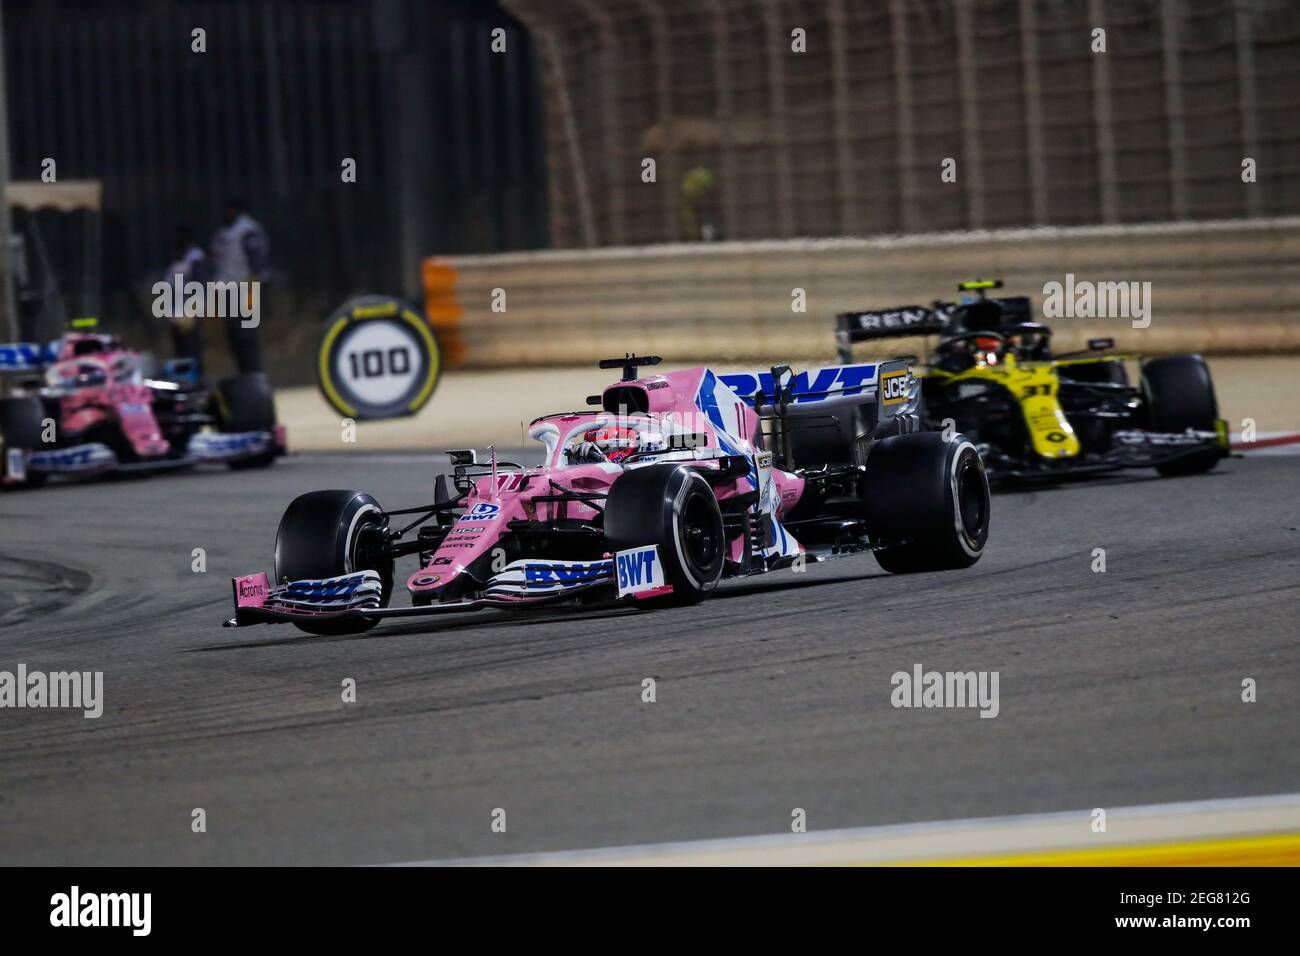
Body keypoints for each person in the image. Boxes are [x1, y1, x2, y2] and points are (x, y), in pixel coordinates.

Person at [209, 197, 269, 373]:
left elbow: (257, 262)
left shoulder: (247, 230)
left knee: (247, 337)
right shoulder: (221, 233)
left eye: (230, 209)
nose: (227, 213)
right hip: (228, 291)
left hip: (245, 288)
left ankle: (255, 375)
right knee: (234, 337)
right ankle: (245, 376)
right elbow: (217, 265)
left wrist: (252, 290)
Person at [160, 224, 209, 375]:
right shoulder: (176, 257)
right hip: (175, 313)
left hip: (189, 313)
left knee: (192, 352)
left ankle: (196, 383)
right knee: (181, 353)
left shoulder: (196, 257)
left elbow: (200, 286)